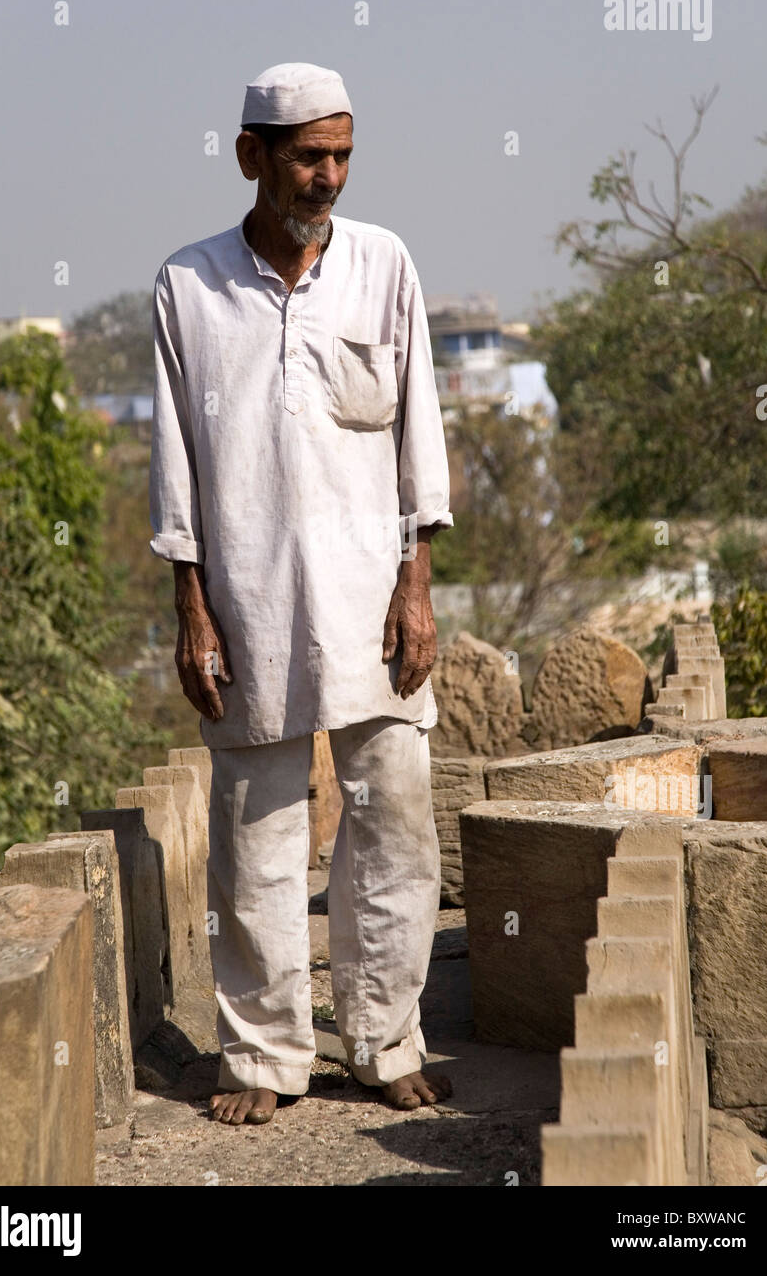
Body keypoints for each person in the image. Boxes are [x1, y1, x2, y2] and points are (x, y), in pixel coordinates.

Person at [149, 62, 454, 1125]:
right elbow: (177, 467)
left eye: (341, 156)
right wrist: (190, 611)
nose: (326, 177)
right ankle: (264, 1057)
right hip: (248, 602)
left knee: (394, 823)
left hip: (375, 601)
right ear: (250, 158)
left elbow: (419, 439)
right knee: (256, 842)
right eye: (305, 157)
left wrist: (417, 590)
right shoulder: (187, 288)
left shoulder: (384, 264)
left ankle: (384, 1038)